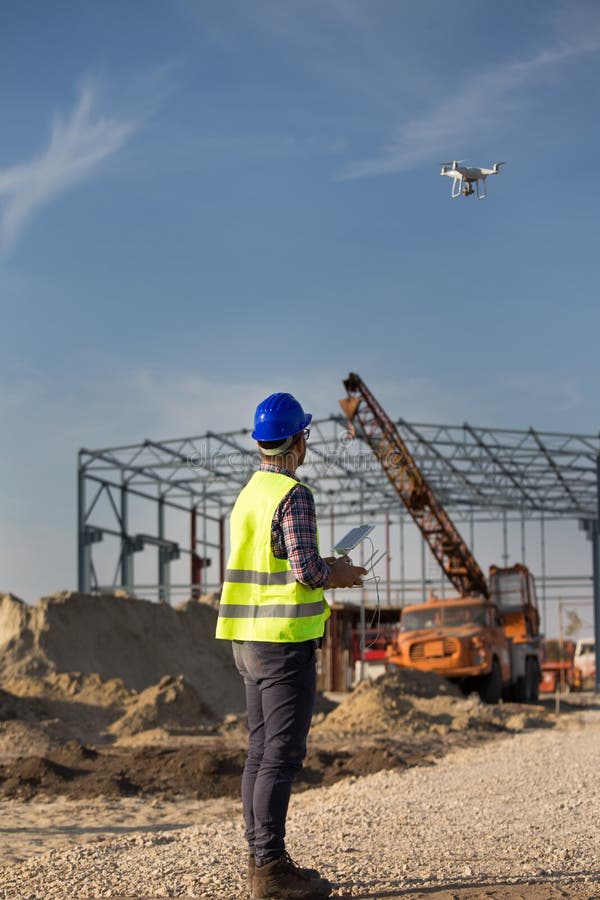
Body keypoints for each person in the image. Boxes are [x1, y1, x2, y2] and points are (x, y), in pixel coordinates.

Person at [216, 392, 367, 900]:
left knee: (260, 752)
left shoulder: (248, 495)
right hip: (282, 643)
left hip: (246, 640)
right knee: (280, 755)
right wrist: (339, 573)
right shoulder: (292, 495)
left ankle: (261, 859)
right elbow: (307, 571)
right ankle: (272, 872)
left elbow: (278, 562)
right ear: (298, 440)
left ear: (262, 443)